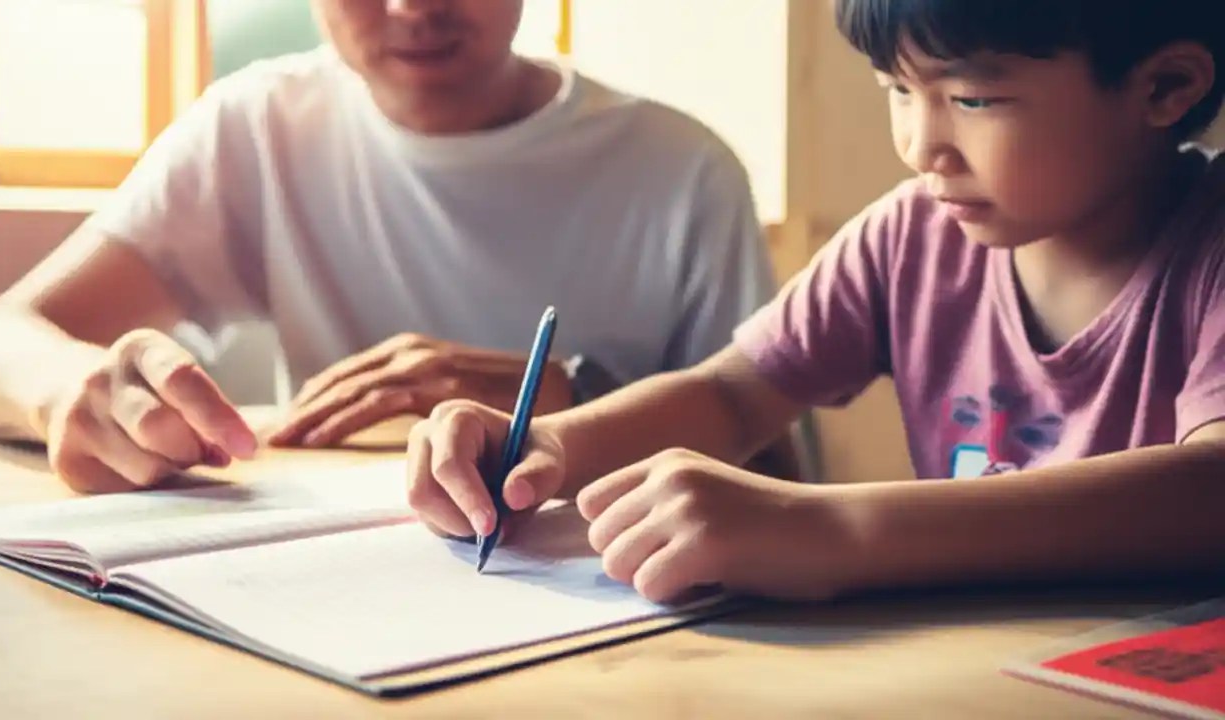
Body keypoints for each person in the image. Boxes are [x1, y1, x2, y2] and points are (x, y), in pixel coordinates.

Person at [405, 0, 1225, 604]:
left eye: (972, 99)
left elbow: (1207, 492)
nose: (919, 145)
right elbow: (732, 395)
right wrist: (548, 445)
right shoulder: (913, 235)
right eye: (898, 91)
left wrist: (827, 530)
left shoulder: (1210, 250)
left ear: (1165, 87)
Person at [0, 0, 775, 493]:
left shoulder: (681, 172)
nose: (415, 6)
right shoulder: (258, 129)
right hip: (340, 599)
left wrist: (577, 395)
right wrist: (76, 393)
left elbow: (780, 470)